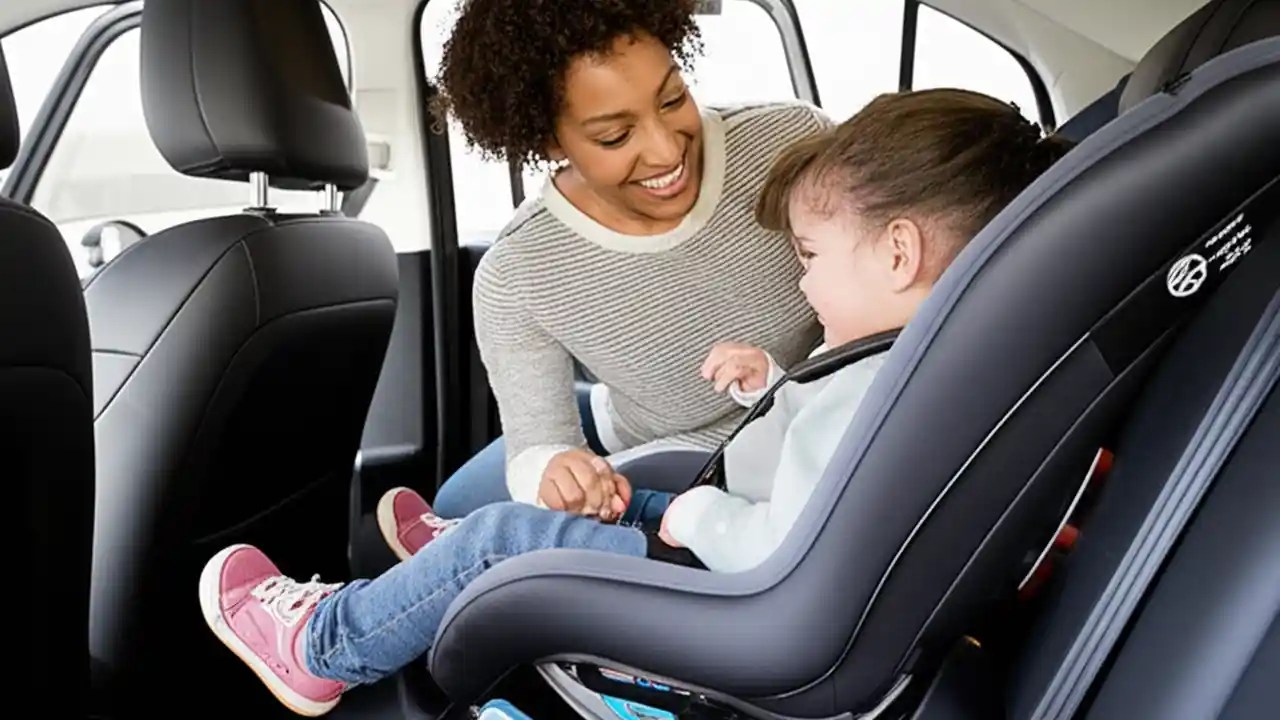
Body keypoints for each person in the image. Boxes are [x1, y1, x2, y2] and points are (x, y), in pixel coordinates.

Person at [198, 89, 1074, 716]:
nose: (799, 280)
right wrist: (774, 387)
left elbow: (777, 540)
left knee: (515, 533)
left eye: (807, 256)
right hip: (775, 553)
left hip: (751, 594)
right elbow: (833, 455)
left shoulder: (872, 380)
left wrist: (698, 521)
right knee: (599, 499)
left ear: (896, 254)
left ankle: (325, 646)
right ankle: (455, 560)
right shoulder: (937, 360)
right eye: (614, 130)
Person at [427, 0, 829, 520]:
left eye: (672, 98)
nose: (666, 152)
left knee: (471, 516)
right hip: (638, 424)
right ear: (548, 141)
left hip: (769, 420)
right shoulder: (517, 273)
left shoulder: (791, 144)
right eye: (614, 136)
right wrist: (554, 469)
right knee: (457, 504)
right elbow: (537, 445)